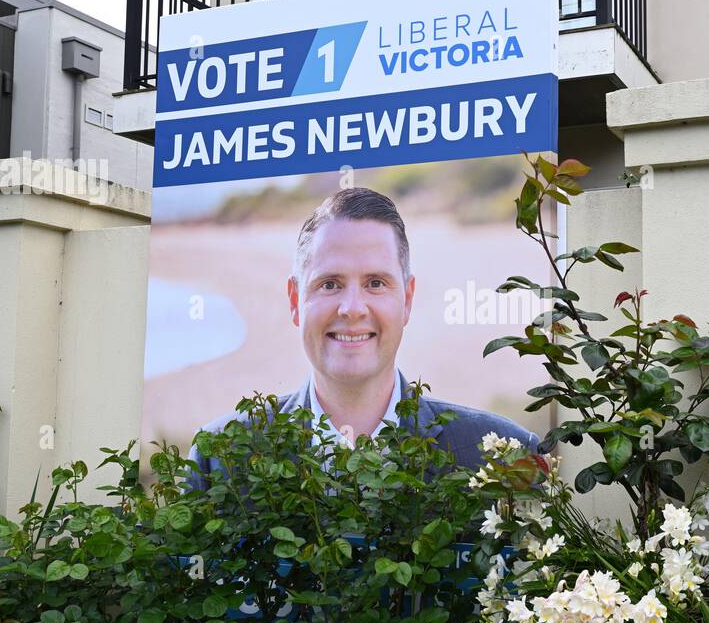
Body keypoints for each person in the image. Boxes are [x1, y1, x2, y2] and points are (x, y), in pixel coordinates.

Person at [186, 187, 540, 491]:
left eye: (375, 283)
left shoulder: (506, 458)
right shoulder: (218, 460)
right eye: (330, 284)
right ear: (295, 301)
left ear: (407, 299)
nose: (352, 309)